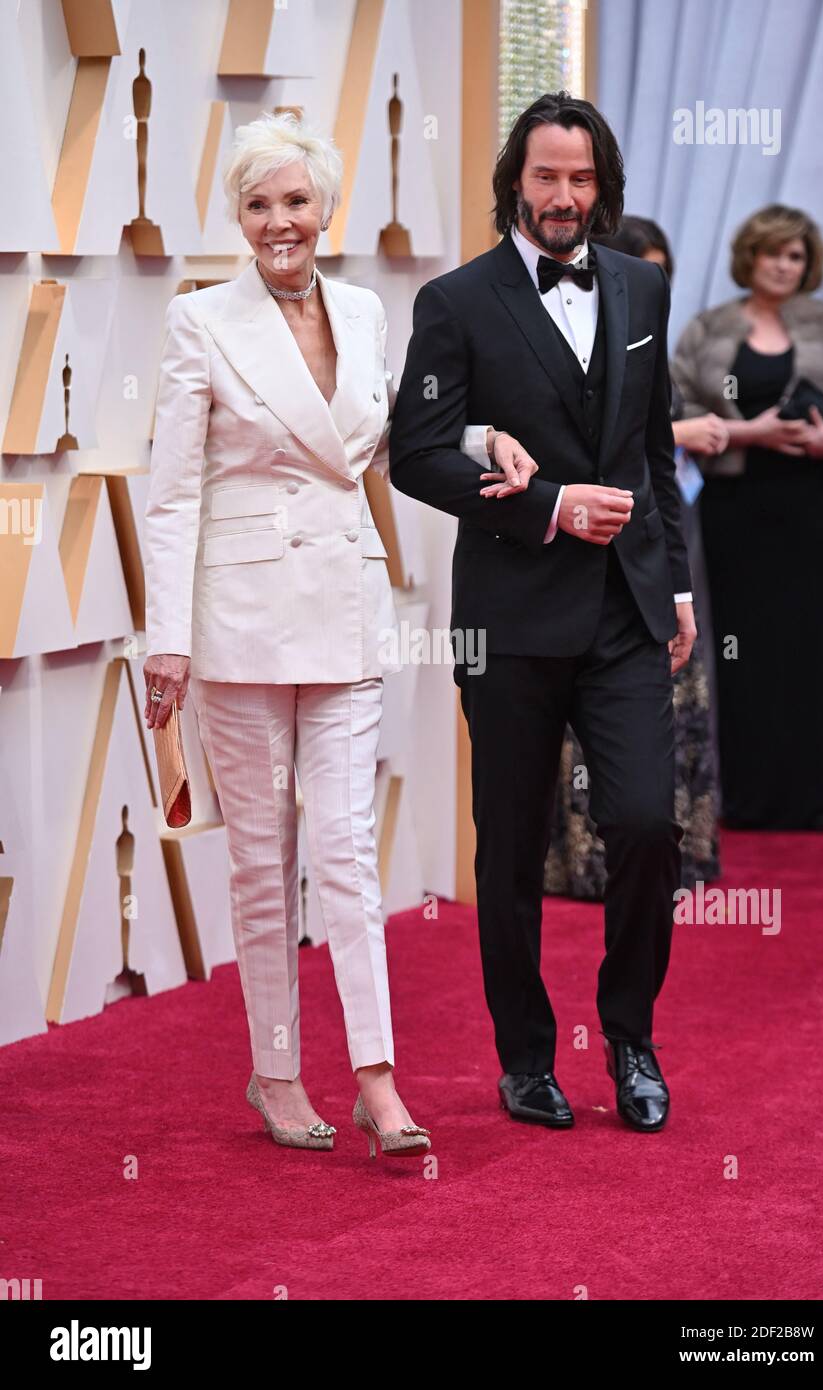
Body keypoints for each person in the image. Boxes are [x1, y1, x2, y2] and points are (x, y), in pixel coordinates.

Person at [390, 93, 696, 1134]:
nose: (563, 197)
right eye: (545, 177)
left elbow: (652, 451)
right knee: (512, 849)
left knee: (649, 823)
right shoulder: (457, 300)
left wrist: (680, 583)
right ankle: (526, 1057)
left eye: (581, 179)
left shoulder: (644, 283)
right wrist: (549, 504)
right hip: (512, 617)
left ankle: (630, 1035)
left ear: (603, 185)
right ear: (513, 182)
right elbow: (417, 452)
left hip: (624, 615)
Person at [142, 111, 433, 1158]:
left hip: (348, 610)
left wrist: (486, 438)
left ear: (326, 206)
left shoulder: (363, 310)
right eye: (259, 204)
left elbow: (395, 439)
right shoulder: (201, 321)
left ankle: (377, 1078)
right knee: (263, 865)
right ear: (238, 216)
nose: (280, 222)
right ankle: (275, 1073)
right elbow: (171, 496)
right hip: (240, 624)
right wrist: (164, 638)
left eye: (296, 201)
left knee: (349, 850)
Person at [544, 215, 724, 898]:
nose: (653, 286)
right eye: (643, 270)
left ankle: (682, 856)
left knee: (680, 712)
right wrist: (686, 430)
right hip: (585, 563)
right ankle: (594, 868)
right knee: (593, 731)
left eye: (663, 274)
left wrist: (678, 589)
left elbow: (650, 451)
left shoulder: (650, 340)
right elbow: (589, 438)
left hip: (656, 557)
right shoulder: (567, 342)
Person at [672, 204, 823, 829]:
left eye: (796, 255)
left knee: (815, 643)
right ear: (749, 257)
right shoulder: (708, 327)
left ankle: (820, 797)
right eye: (773, 253)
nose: (784, 265)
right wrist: (746, 431)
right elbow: (676, 413)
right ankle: (748, 798)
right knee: (742, 647)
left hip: (821, 509)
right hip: (739, 510)